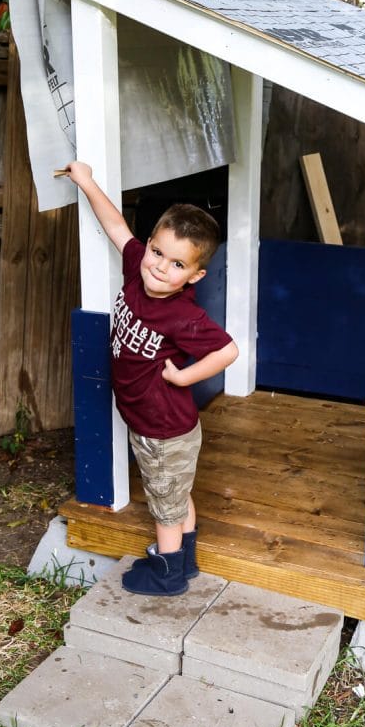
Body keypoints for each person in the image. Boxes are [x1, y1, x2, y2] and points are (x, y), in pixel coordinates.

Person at [63, 161, 239, 597]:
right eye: (158, 252)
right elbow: (116, 225)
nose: (160, 267)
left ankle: (168, 573)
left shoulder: (183, 314)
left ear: (194, 276)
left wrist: (182, 378)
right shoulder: (137, 270)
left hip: (164, 428)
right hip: (151, 422)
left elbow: (228, 350)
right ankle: (186, 557)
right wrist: (86, 182)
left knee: (164, 505)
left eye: (176, 264)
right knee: (176, 495)